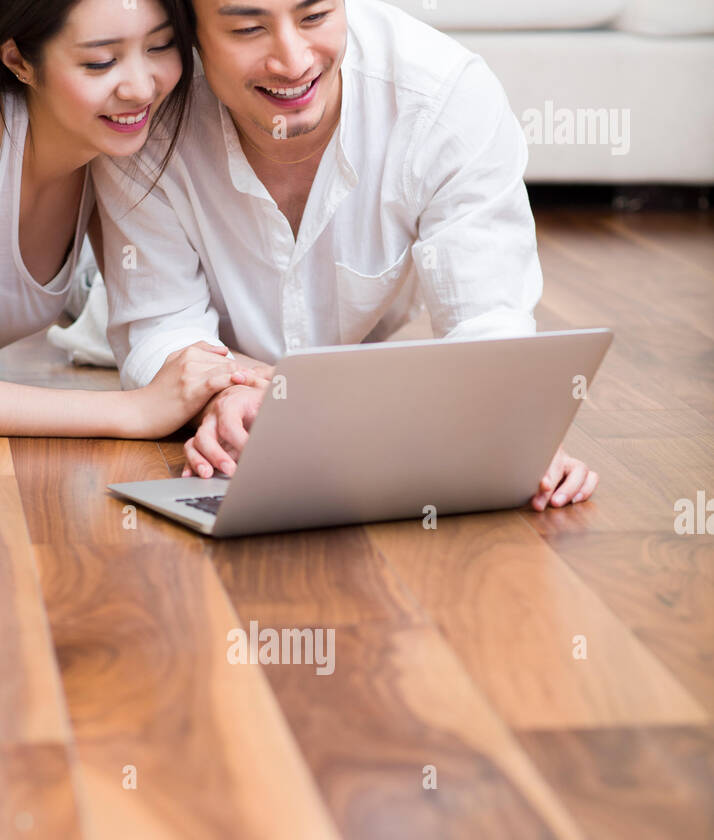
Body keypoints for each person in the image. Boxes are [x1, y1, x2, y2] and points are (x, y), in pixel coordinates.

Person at [90, 0, 598, 508]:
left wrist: (509, 429)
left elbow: (487, 318)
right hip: (109, 305)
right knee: (86, 299)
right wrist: (221, 393)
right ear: (191, 33)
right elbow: (160, 322)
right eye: (248, 29)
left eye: (315, 17)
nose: (292, 62)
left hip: (284, 364)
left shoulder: (444, 96)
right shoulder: (144, 112)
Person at [0, 0, 257, 438]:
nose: (140, 88)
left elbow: (160, 314)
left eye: (161, 45)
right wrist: (132, 412)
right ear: (18, 60)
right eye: (100, 62)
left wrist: (253, 383)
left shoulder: (108, 152)